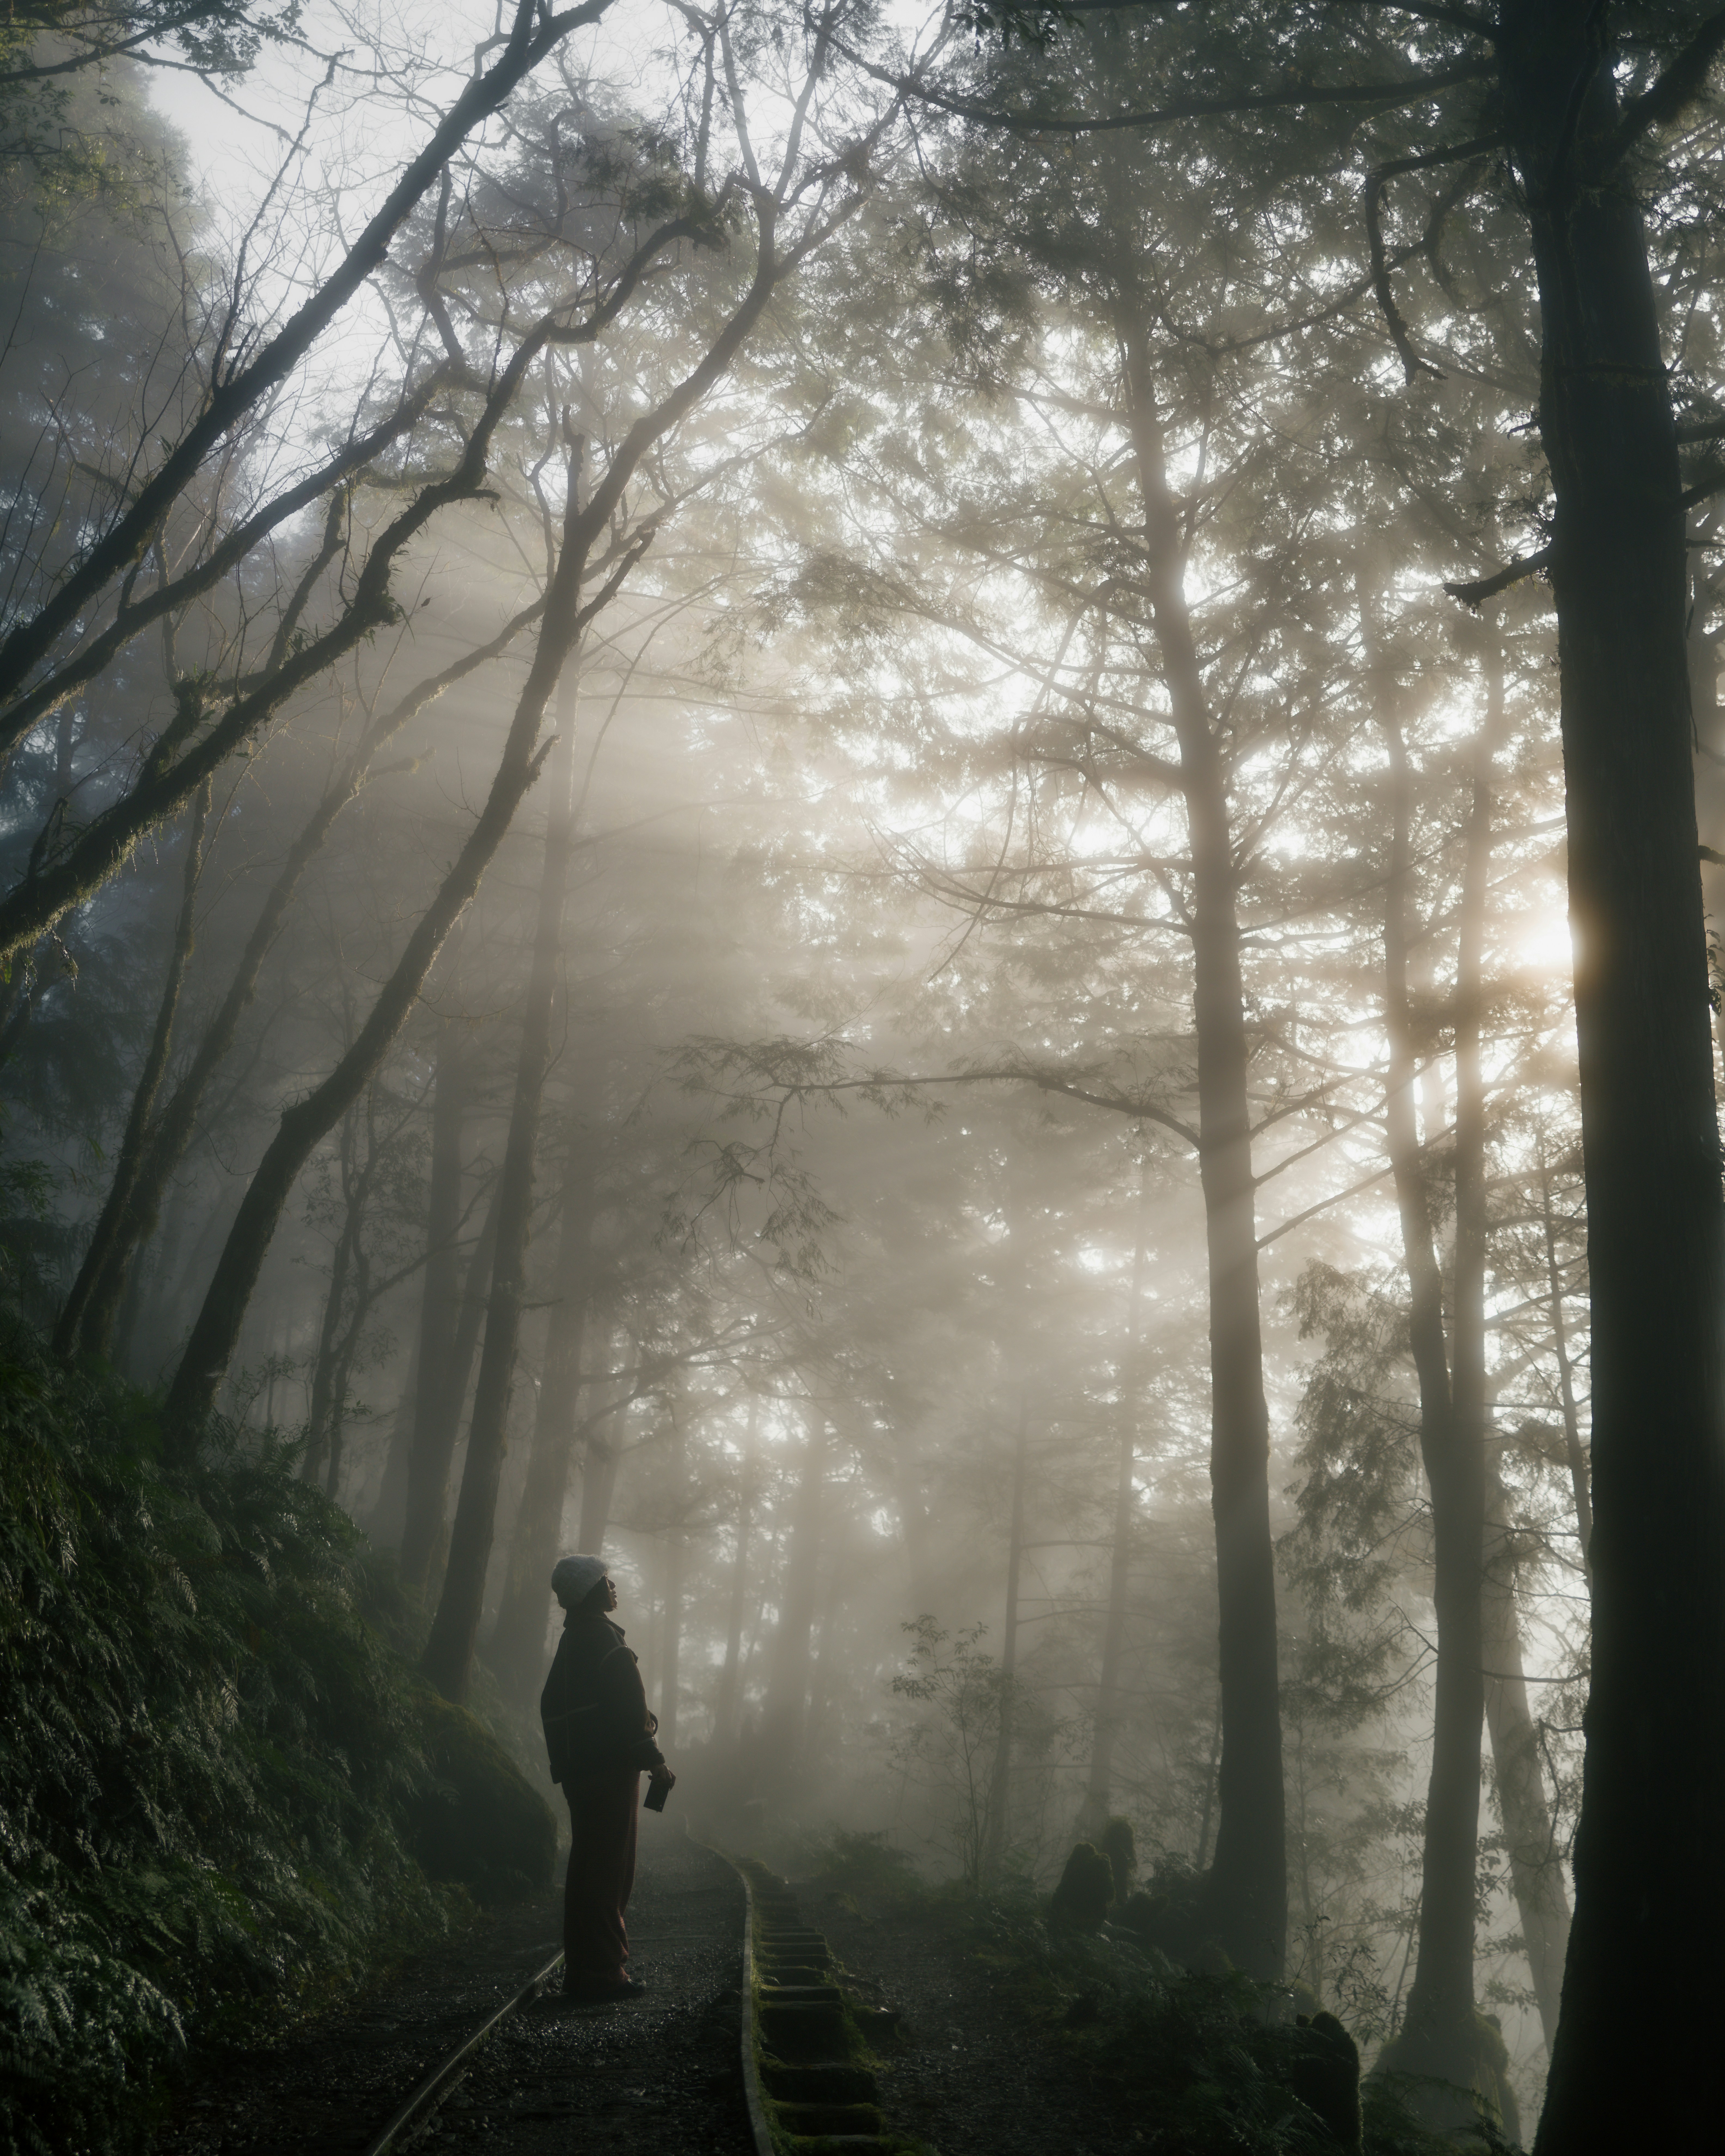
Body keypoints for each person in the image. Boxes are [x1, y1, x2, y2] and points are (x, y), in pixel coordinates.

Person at [539, 1554, 675, 2003]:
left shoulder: (574, 1640)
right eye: (605, 1581)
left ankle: (585, 1972)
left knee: (587, 1869)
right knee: (609, 1873)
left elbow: (556, 1707)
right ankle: (603, 1975)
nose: (613, 1587)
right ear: (590, 1593)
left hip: (581, 1773)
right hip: (610, 1771)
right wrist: (653, 1758)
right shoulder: (603, 1640)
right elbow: (628, 1709)